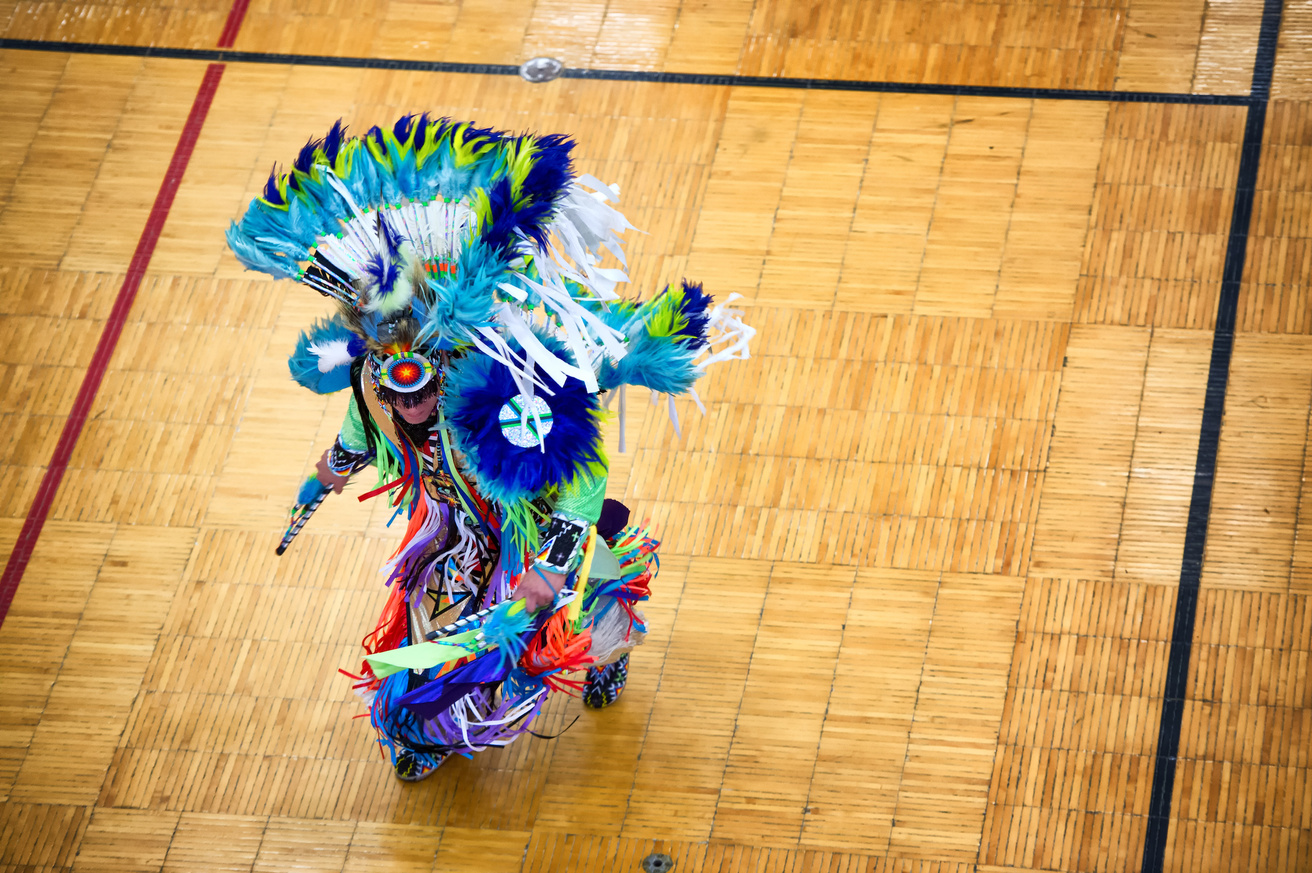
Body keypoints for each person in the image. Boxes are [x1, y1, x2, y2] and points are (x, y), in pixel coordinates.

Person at [227, 115, 752, 781]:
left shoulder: (509, 392)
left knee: (582, 614)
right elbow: (362, 431)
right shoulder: (372, 385)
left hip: (534, 523)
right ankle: (425, 729)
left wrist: (552, 568)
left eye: (419, 388)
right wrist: (327, 473)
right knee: (430, 635)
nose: (407, 404)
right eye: (393, 387)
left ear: (444, 368)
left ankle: (607, 652)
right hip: (459, 536)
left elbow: (584, 476)